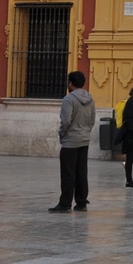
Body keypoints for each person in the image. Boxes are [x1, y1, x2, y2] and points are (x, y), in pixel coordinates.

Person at [50, 71, 95, 211]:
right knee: (82, 172)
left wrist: (61, 134)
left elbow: (66, 120)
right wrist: (86, 131)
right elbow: (92, 119)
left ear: (70, 83)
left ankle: (65, 203)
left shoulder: (68, 99)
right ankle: (81, 202)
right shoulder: (90, 99)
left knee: (68, 173)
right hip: (84, 139)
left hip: (70, 140)